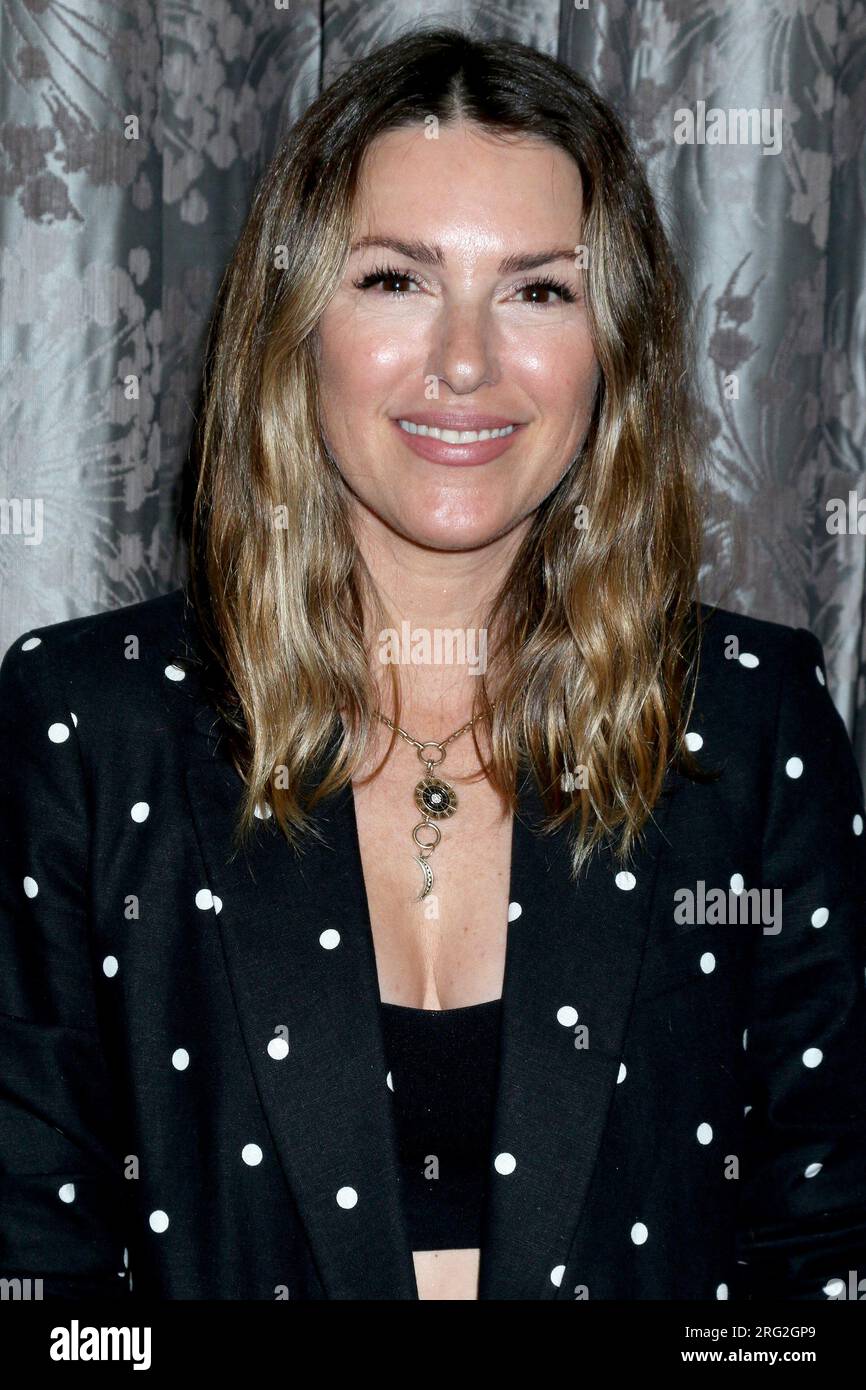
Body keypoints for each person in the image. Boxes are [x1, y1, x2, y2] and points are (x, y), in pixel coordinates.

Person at [1, 25, 865, 1303]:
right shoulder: (86, 727)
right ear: (294, 320)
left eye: (536, 290)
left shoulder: (750, 725)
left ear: (611, 344)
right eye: (396, 280)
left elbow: (822, 1259)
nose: (464, 362)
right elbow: (40, 1285)